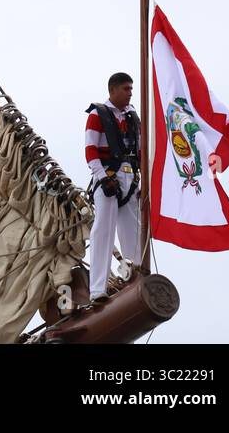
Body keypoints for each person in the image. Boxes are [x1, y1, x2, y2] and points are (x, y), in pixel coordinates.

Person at [84, 72, 141, 303]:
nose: (130, 93)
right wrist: (102, 177)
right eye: (126, 89)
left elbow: (140, 150)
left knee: (133, 230)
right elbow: (90, 150)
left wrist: (143, 180)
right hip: (109, 175)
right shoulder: (98, 114)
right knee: (103, 230)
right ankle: (98, 289)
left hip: (131, 177)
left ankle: (137, 278)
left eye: (131, 89)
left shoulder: (132, 116)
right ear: (113, 90)